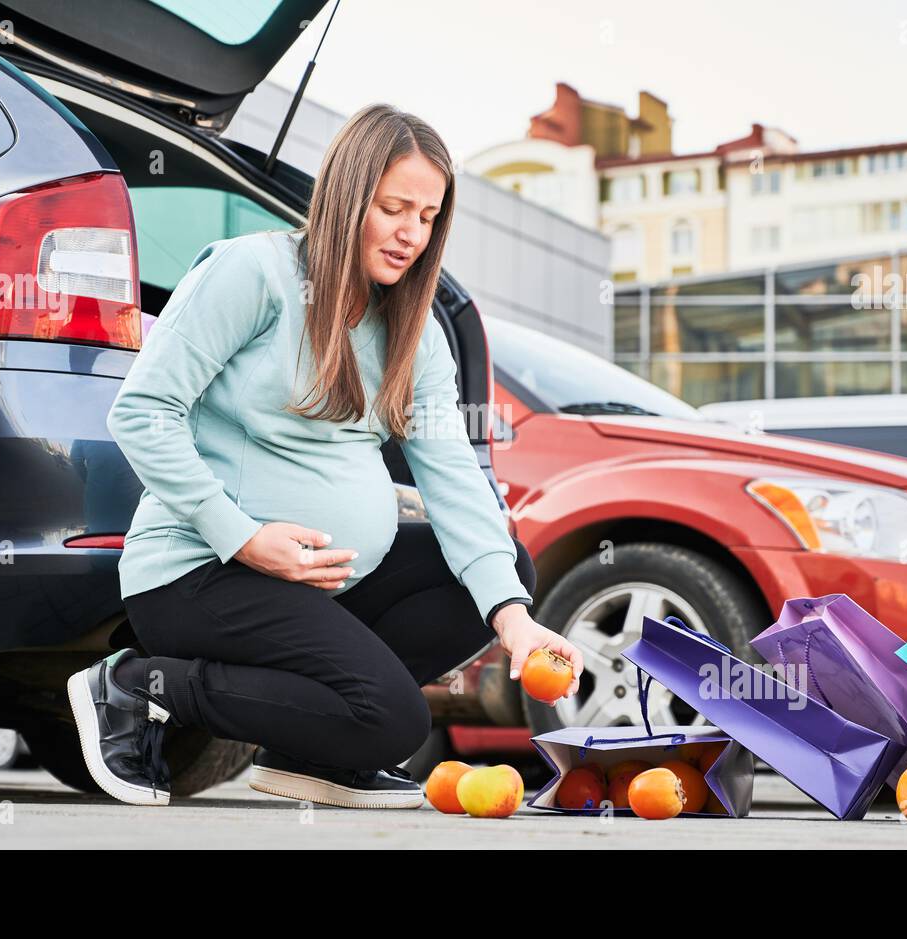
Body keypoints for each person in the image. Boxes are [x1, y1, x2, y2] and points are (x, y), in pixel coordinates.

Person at [66, 104, 583, 808]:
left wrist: (516, 621)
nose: (411, 234)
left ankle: (313, 747)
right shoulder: (253, 274)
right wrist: (243, 538)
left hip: (318, 583)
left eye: (428, 216)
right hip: (198, 573)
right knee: (392, 719)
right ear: (347, 196)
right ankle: (135, 686)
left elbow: (453, 476)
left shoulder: (415, 330)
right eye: (394, 207)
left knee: (501, 574)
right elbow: (142, 411)